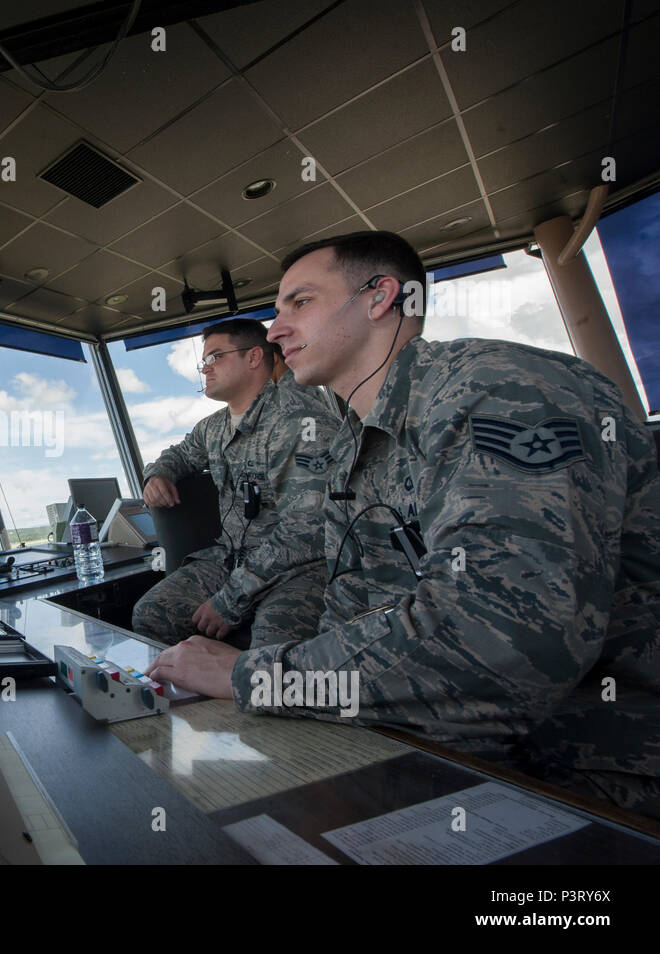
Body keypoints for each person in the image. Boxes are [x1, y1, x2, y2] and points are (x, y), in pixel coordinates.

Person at [145, 230, 660, 818]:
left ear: (380, 297)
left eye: (301, 302)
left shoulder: (496, 390)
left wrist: (254, 675)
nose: (275, 329)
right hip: (432, 737)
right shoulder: (352, 443)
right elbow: (356, 606)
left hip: (591, 769)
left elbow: (502, 642)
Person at [132, 318, 338, 648]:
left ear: (254, 357)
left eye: (216, 357)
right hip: (230, 559)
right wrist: (157, 475)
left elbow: (308, 530)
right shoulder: (212, 428)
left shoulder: (297, 418)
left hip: (297, 569)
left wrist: (230, 599)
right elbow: (179, 454)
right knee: (152, 613)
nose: (205, 369)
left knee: (272, 650)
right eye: (204, 361)